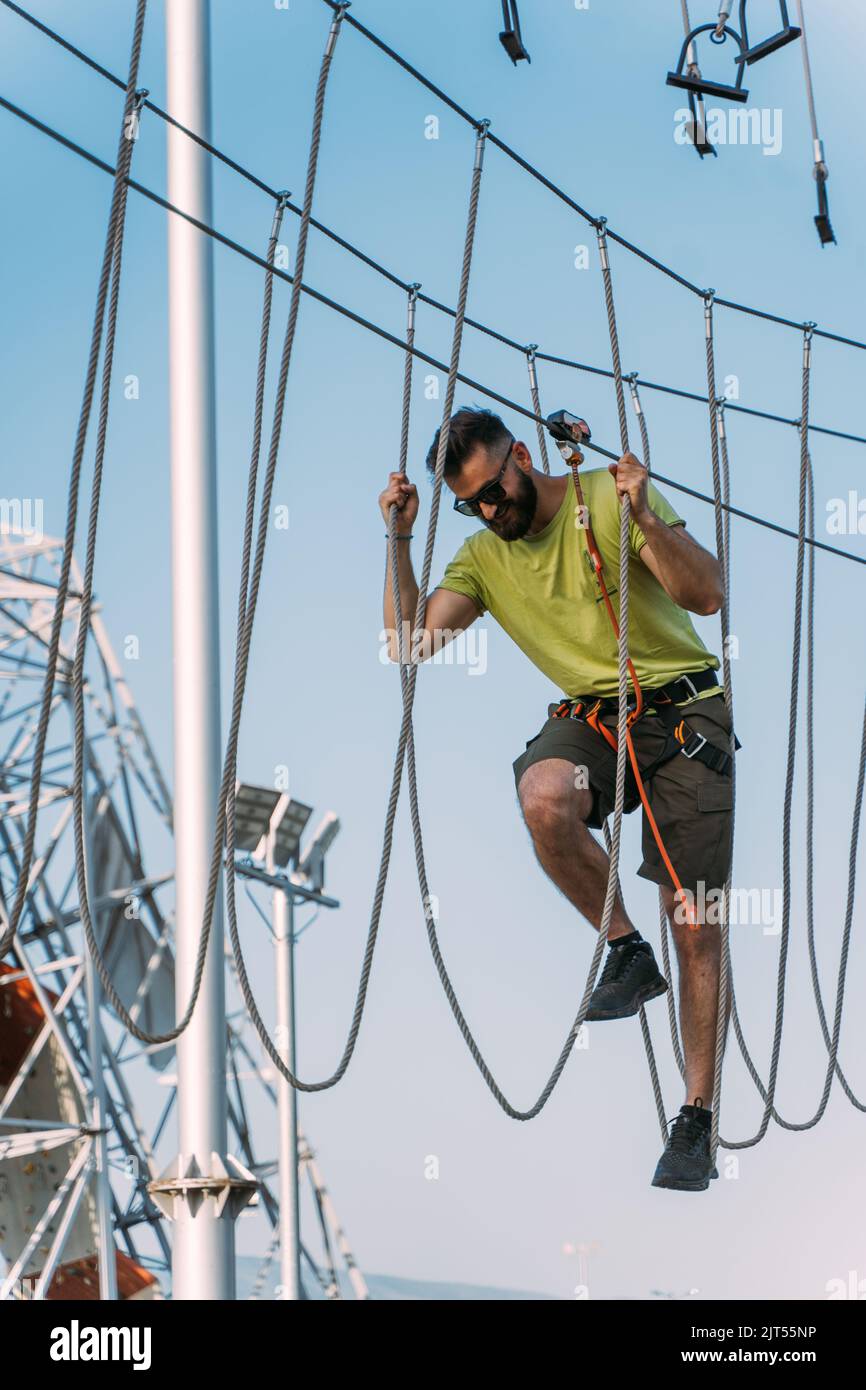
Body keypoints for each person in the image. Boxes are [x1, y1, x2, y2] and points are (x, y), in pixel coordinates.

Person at [379, 407, 735, 1192]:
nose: (491, 512)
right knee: (543, 795)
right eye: (472, 504)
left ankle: (697, 1118)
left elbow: (705, 595)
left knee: (697, 918)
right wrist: (401, 537)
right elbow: (409, 644)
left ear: (523, 457)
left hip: (683, 712)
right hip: (597, 721)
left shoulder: (607, 499)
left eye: (495, 493)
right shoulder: (480, 557)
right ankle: (625, 951)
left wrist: (644, 514)